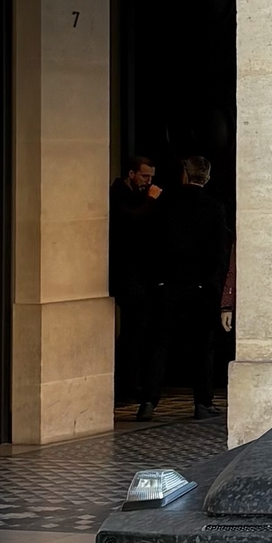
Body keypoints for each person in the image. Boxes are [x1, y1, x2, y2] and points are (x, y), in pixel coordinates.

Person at [158, 156, 228, 417]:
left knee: (160, 343)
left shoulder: (166, 204)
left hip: (168, 284)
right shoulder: (214, 208)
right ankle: (203, 402)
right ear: (206, 177)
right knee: (203, 347)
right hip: (201, 288)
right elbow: (219, 251)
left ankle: (148, 401)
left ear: (184, 175)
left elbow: (154, 242)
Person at [111, 155, 166, 419]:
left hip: (144, 275)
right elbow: (129, 222)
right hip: (128, 275)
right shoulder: (119, 193)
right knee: (134, 330)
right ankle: (128, 383)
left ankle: (133, 382)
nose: (149, 182)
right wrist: (151, 201)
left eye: (152, 177)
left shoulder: (140, 195)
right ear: (131, 173)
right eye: (145, 176)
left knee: (139, 331)